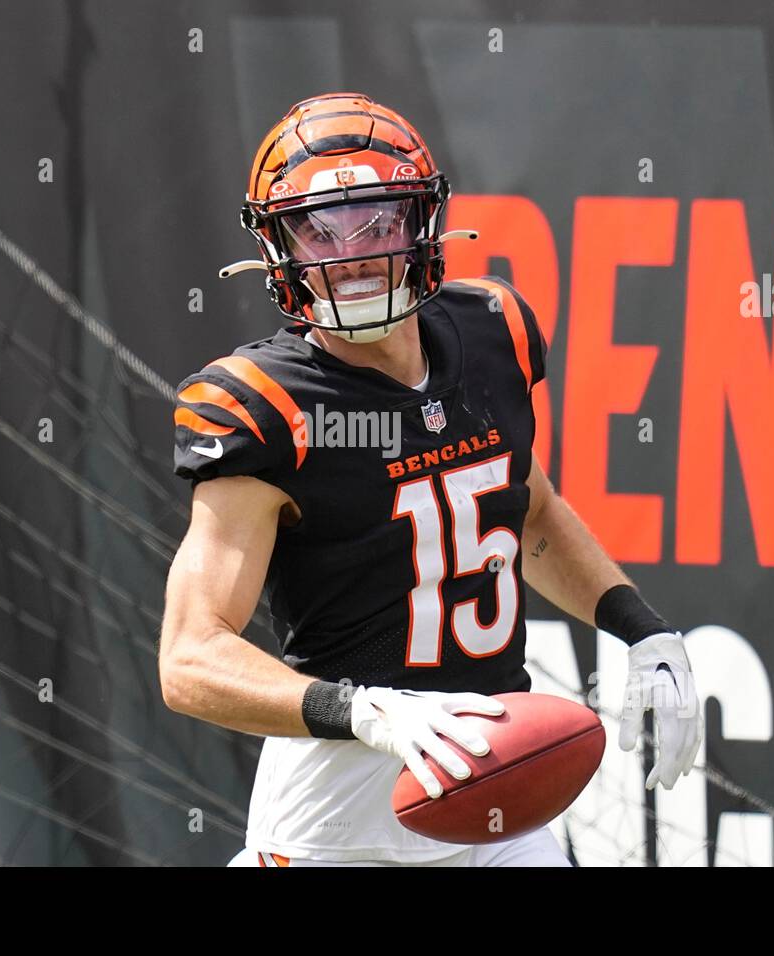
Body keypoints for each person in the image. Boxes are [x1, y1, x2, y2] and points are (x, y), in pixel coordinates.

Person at [159, 92, 702, 867]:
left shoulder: (493, 331)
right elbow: (188, 659)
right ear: (279, 247)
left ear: (421, 224)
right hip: (338, 818)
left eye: (376, 222)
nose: (350, 255)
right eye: (319, 230)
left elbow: (531, 513)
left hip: (497, 779)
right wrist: (366, 710)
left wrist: (642, 630)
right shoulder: (265, 404)